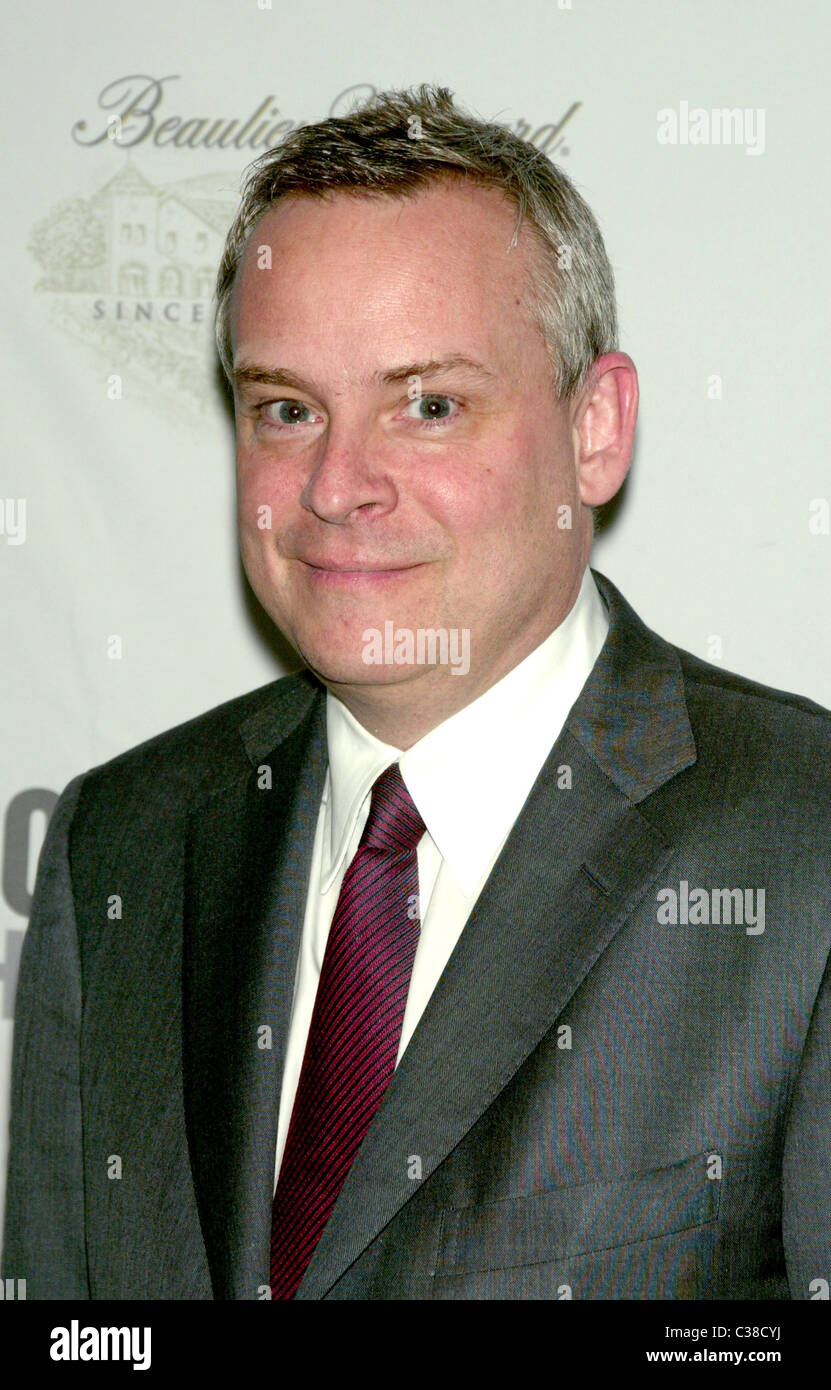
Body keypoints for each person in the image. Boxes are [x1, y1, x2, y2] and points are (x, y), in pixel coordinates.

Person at [3, 85, 829, 1301]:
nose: (338, 485)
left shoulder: (803, 836)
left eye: (428, 406)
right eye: (286, 410)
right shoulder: (119, 842)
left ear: (596, 430)